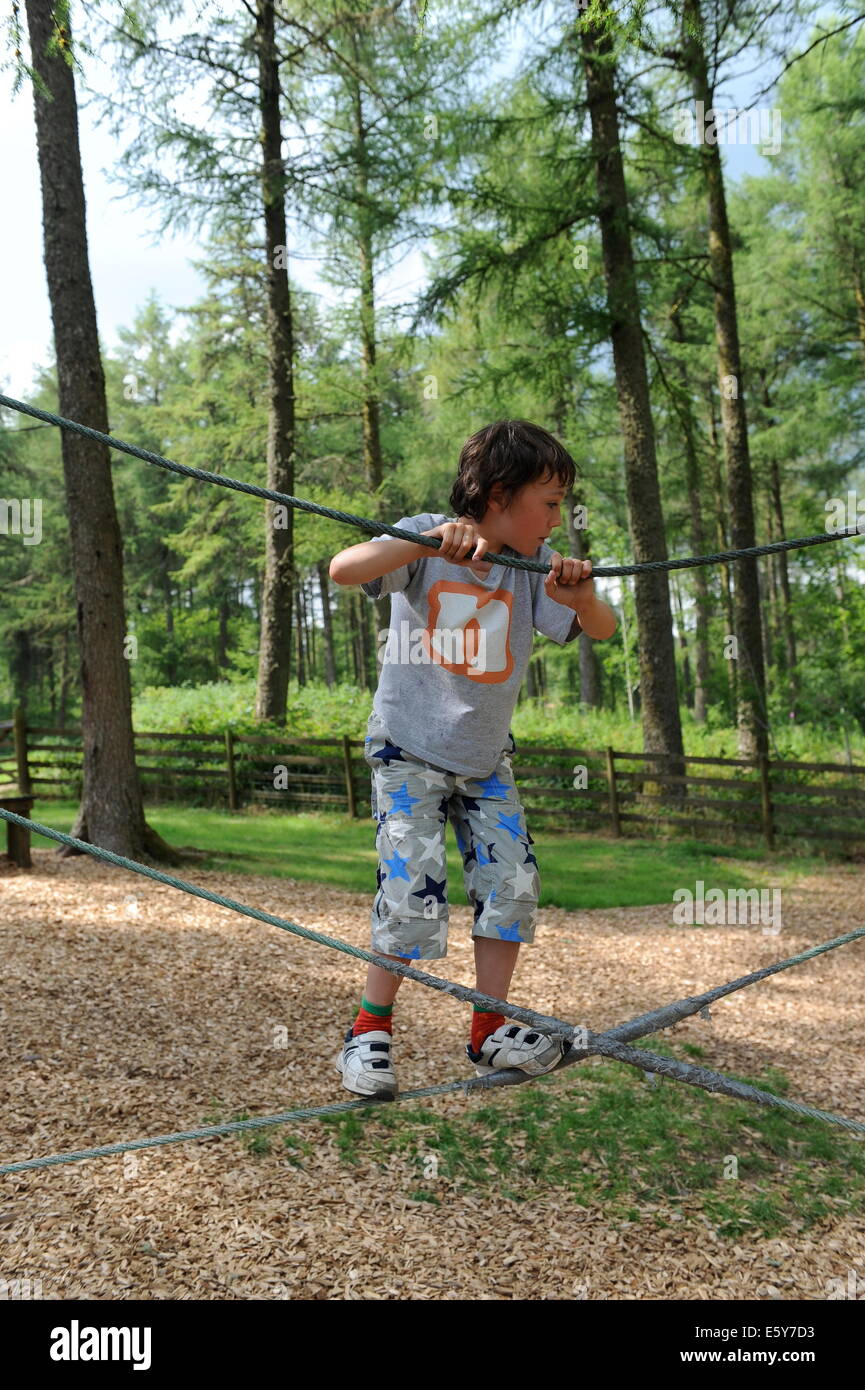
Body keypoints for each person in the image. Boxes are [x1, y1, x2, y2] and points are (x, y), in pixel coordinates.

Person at [328, 419, 617, 1098]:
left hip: (486, 759)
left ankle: (490, 1031)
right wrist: (419, 542)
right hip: (409, 748)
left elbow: (600, 630)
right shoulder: (426, 538)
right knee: (412, 889)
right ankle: (368, 1032)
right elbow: (344, 570)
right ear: (497, 495)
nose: (556, 519)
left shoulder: (532, 567)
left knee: (512, 884)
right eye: (548, 503)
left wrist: (582, 597)